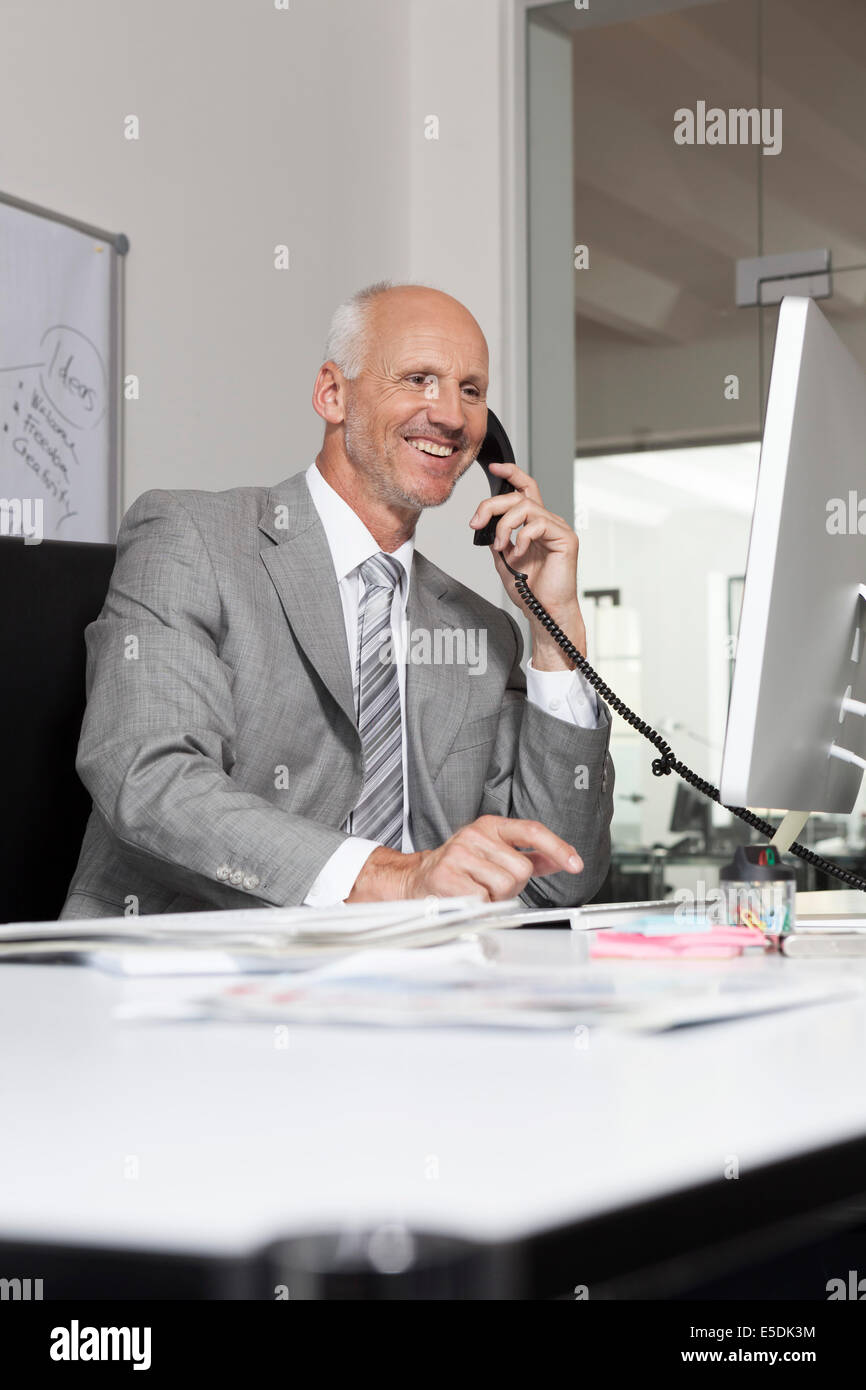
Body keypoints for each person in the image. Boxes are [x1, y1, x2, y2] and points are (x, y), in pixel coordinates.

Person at [60, 282, 614, 918]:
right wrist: (398, 877)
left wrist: (555, 631)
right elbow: (149, 780)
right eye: (418, 378)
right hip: (199, 975)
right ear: (333, 393)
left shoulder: (483, 630)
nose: (453, 417)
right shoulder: (194, 539)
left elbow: (560, 880)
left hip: (415, 987)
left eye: (471, 391)